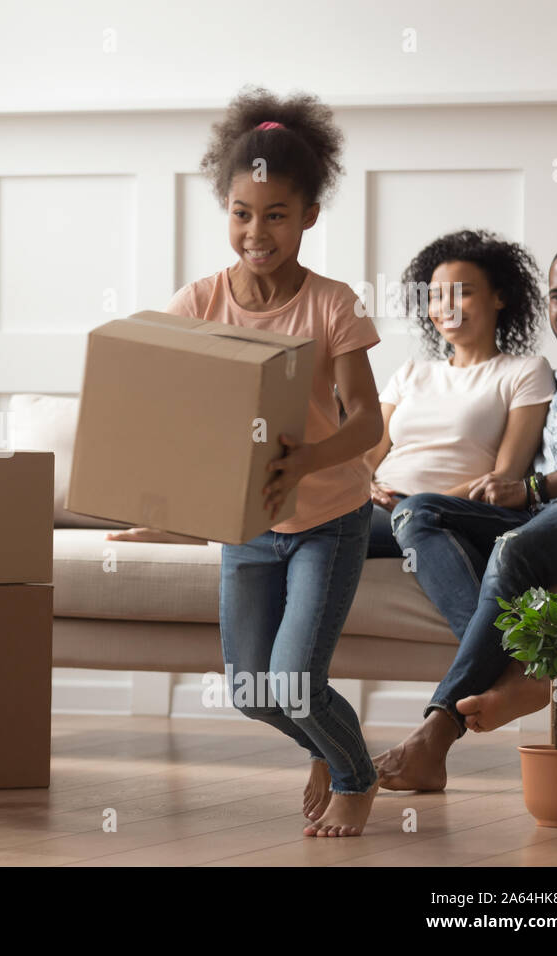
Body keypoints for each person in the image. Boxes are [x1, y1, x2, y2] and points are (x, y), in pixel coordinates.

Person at [161, 88, 384, 836]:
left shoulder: (333, 306)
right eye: (241, 213)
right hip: (246, 526)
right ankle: (325, 742)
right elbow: (168, 409)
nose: (257, 232)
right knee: (254, 692)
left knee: (293, 680)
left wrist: (306, 459)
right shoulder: (196, 303)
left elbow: (368, 424)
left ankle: (356, 776)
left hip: (328, 519)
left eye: (276, 215)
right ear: (225, 208)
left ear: (309, 217)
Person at [376, 241, 557, 791]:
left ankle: (435, 734)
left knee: (515, 548)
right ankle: (516, 669)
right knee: (417, 512)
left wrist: (535, 486)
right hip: (545, 510)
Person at [365, 230, 553, 557]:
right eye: (437, 296)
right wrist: (361, 485)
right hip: (378, 505)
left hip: (450, 512)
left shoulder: (526, 371)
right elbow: (366, 455)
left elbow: (505, 476)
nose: (446, 307)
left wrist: (415, 506)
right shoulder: (411, 372)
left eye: (462, 292)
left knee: (322, 529)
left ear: (500, 296)